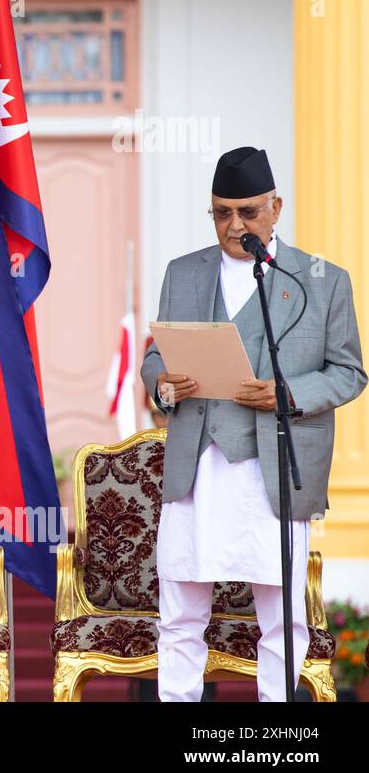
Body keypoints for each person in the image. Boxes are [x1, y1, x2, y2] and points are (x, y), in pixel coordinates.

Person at [142, 145, 366, 701]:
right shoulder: (184, 273)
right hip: (197, 465)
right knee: (180, 613)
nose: (234, 224)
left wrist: (287, 392)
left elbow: (349, 372)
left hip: (274, 469)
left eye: (247, 212)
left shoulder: (323, 281)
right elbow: (154, 358)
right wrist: (164, 384)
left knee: (281, 620)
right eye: (222, 213)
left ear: (276, 207)